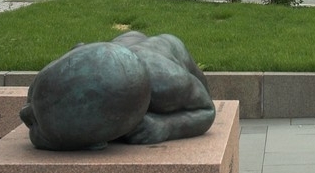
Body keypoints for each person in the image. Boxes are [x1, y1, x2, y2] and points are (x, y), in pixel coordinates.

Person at [19, 31, 216, 151]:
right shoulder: (77, 63)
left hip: (167, 49)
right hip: (124, 45)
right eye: (34, 92)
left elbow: (207, 109)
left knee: (198, 85)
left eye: (42, 125)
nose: (23, 113)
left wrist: (166, 127)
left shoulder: (169, 81)